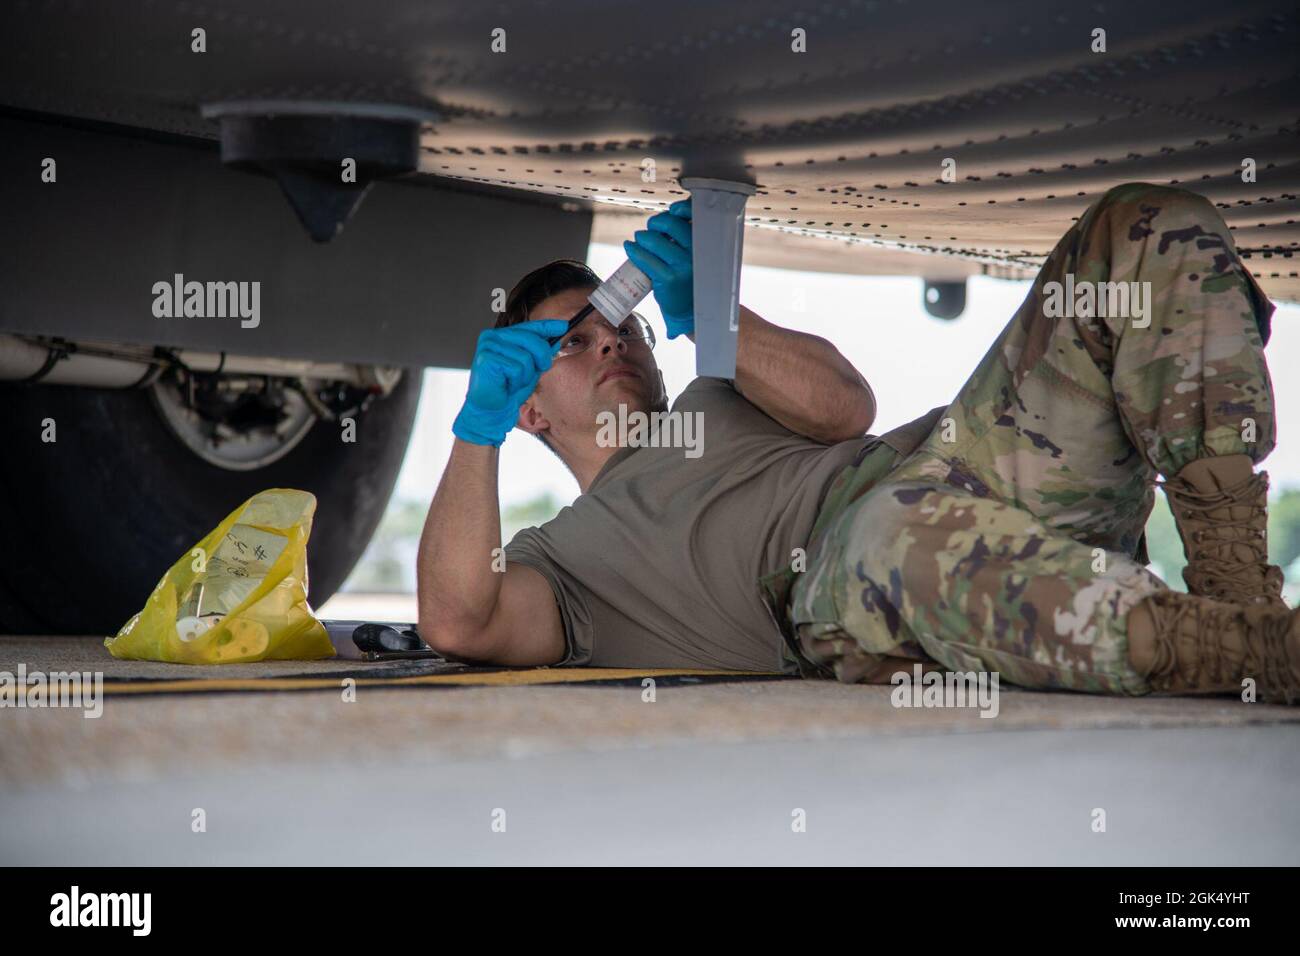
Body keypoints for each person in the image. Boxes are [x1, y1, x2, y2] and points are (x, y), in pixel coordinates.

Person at [416, 184, 1299, 704]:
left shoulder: (723, 387)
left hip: (960, 467)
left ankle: (1236, 582)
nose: (609, 342)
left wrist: (711, 321)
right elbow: (461, 619)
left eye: (622, 328)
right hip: (854, 586)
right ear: (529, 411)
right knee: (880, 537)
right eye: (568, 344)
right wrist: (474, 425)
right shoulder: (563, 562)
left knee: (1140, 225)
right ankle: (1234, 650)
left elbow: (846, 406)